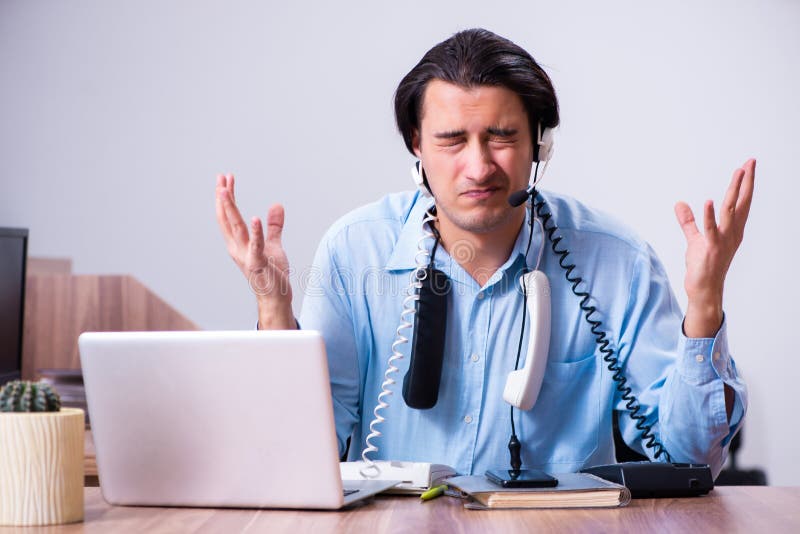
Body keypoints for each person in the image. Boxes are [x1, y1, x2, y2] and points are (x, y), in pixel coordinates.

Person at [215, 28, 752, 478]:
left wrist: (704, 305)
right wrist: (272, 307)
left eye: (501, 137)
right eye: (451, 141)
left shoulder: (618, 263)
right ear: (416, 146)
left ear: (538, 144)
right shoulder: (355, 251)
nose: (478, 166)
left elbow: (688, 461)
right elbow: (296, 456)